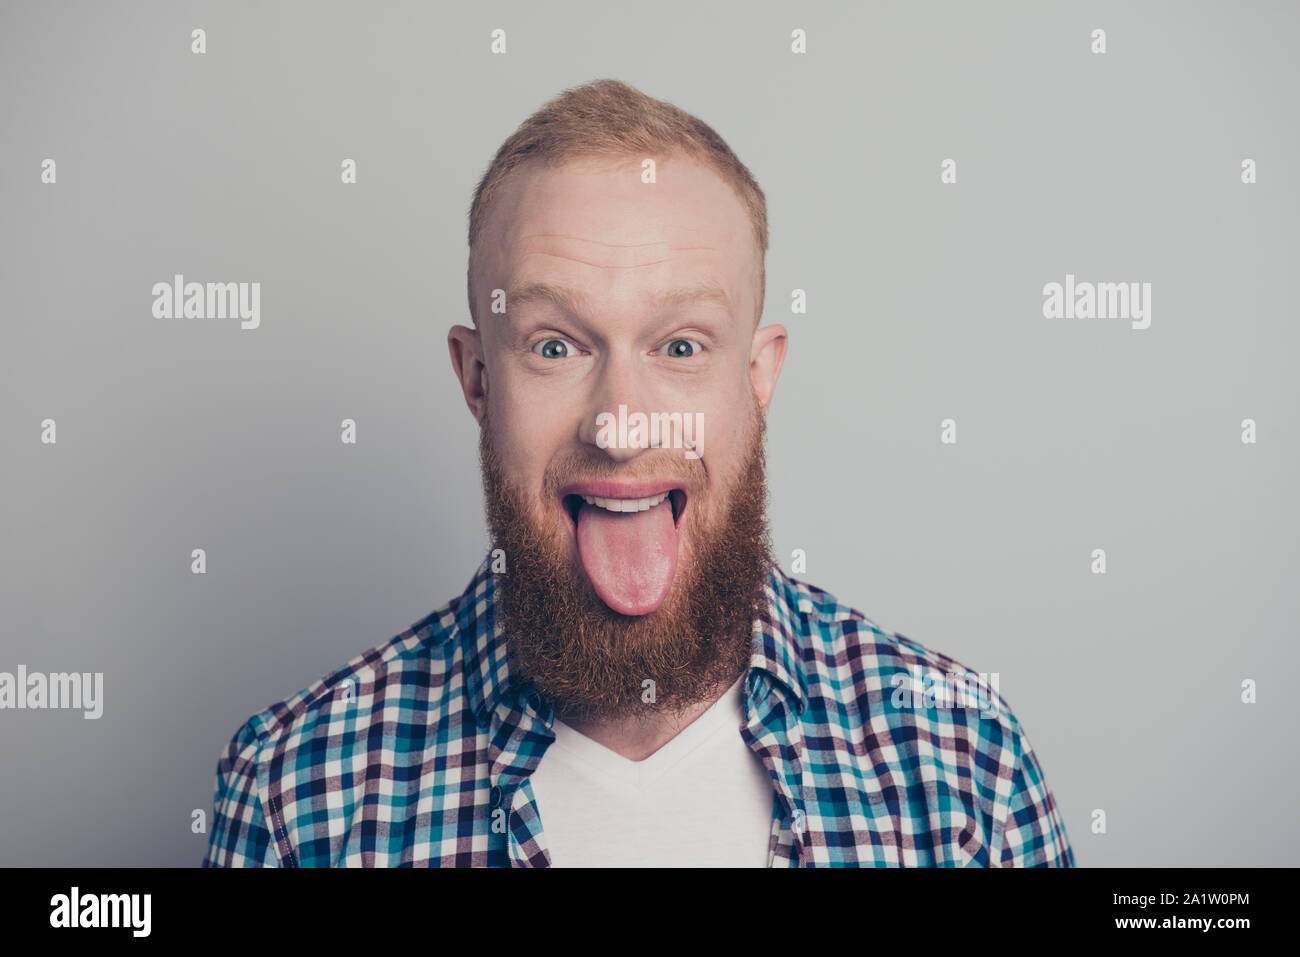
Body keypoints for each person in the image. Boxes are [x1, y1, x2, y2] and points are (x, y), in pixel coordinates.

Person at [203, 78, 1073, 867]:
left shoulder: (966, 770)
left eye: (681, 345)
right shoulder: (296, 795)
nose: (621, 424)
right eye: (554, 345)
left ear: (758, 375)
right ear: (476, 379)